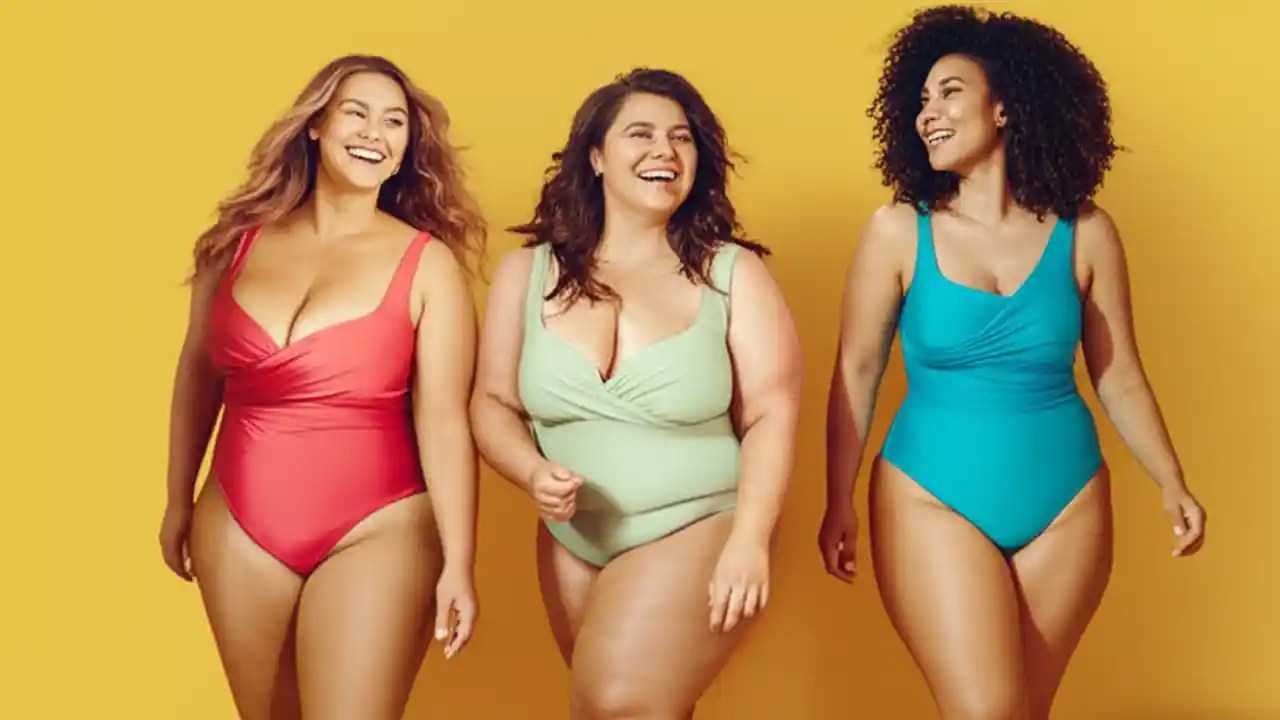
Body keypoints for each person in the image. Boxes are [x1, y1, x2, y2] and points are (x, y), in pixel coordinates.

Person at [819, 6, 1207, 719]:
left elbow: (1118, 375)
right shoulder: (898, 231)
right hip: (930, 496)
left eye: (949, 92)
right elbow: (856, 373)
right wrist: (837, 498)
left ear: (1005, 108)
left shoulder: (1087, 231)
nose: (926, 112)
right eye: (922, 99)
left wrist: (1171, 480)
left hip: (1068, 504)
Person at [159, 54, 485, 719]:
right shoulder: (233, 246)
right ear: (316, 126)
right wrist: (176, 501)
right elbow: (197, 373)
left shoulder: (429, 266)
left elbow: (446, 421)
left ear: (404, 151)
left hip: (379, 525)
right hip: (238, 526)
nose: (374, 133)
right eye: (356, 113)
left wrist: (460, 561)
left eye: (394, 123)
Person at [471, 67, 802, 717]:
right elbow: (491, 403)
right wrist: (530, 470)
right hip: (573, 541)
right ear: (596, 157)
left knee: (620, 701)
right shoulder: (527, 271)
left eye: (682, 138)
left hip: (701, 522)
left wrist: (749, 539)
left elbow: (772, 410)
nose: (665, 151)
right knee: (616, 709)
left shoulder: (731, 272)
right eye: (641, 134)